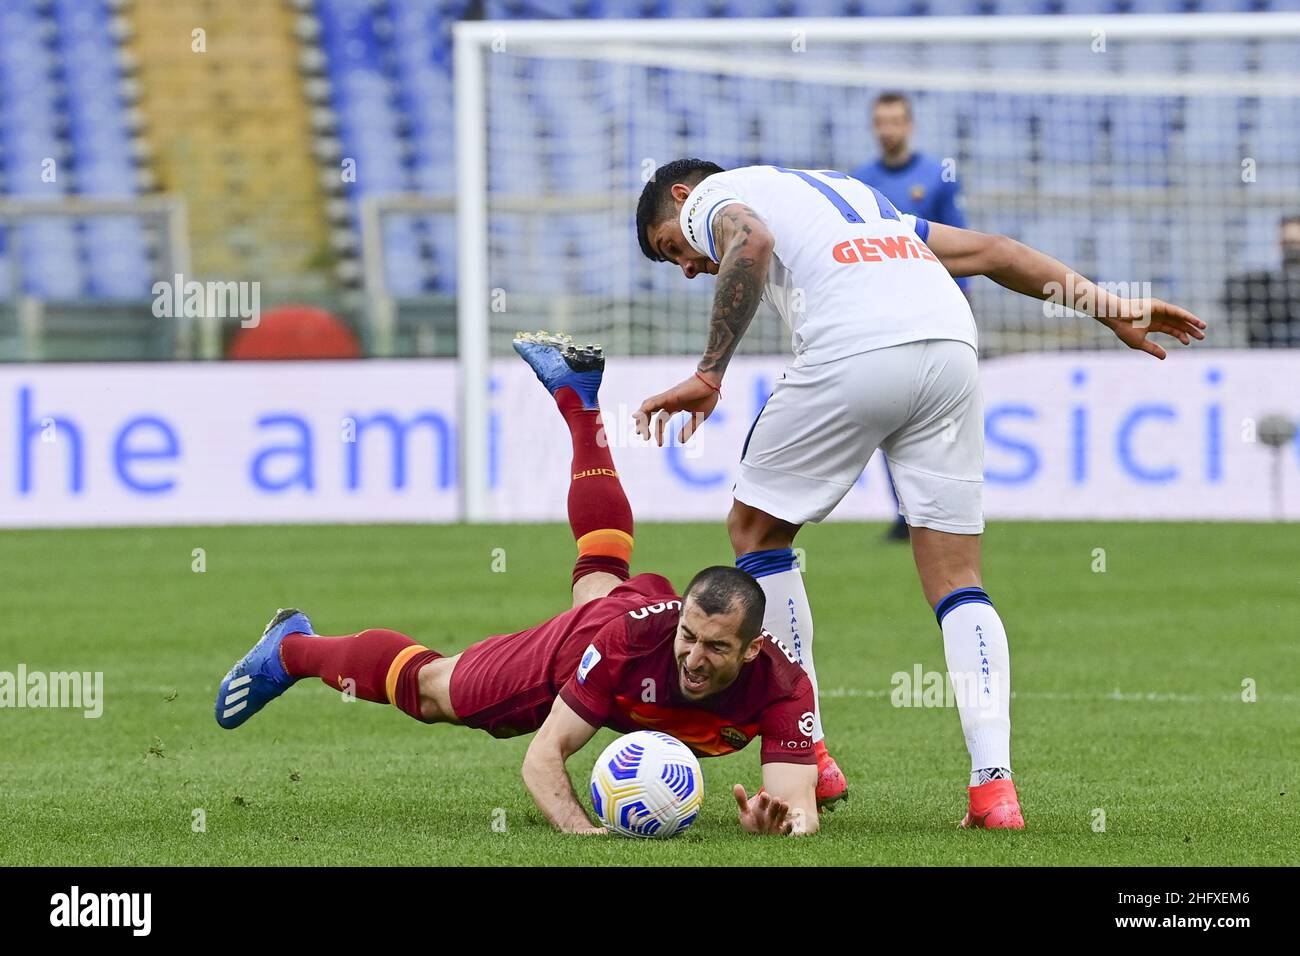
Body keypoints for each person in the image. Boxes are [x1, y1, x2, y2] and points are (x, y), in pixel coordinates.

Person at [633, 159, 1205, 828]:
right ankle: (994, 789)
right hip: (950, 348)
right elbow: (993, 252)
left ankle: (808, 750)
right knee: (958, 577)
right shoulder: (853, 197)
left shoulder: (712, 197)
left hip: (856, 348)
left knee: (756, 533)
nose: (687, 265)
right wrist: (1108, 305)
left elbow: (749, 244)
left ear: (681, 197)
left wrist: (709, 373)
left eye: (673, 247)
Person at [214, 331, 820, 836]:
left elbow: (798, 814)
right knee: (433, 691)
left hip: (630, 614)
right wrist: (583, 833)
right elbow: (543, 758)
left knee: (602, 573)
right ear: (679, 619)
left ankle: (580, 402)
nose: (694, 655)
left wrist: (782, 817)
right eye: (689, 637)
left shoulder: (785, 686)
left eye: (716, 648)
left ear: (753, 648)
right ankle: (293, 650)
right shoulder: (630, 649)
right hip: (586, 647)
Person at [851, 91, 971, 540]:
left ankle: (940, 508)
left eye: (896, 120)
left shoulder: (936, 178)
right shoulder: (859, 181)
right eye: (881, 121)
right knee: (890, 414)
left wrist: (963, 304)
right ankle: (905, 512)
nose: (889, 129)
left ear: (910, 125)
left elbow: (960, 240)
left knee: (937, 416)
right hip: (882, 311)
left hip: (934, 307)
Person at [1223, 213, 1300, 348]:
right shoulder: (1262, 285)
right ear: (1279, 243)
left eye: (1295, 243)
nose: (1291, 250)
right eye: (1286, 243)